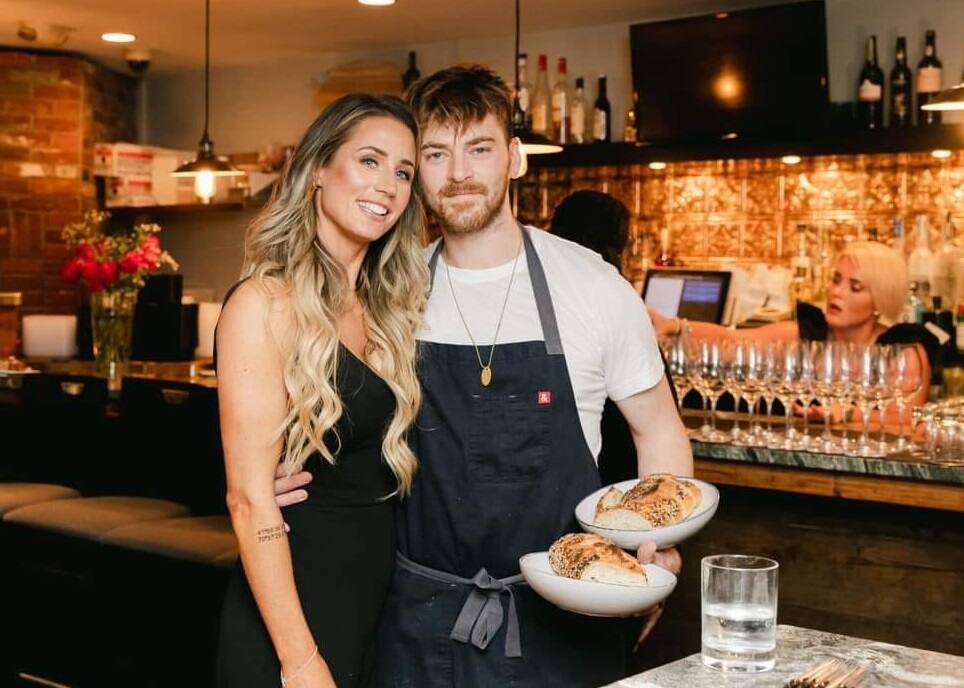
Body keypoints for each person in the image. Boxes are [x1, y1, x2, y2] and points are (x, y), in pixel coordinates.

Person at [277, 65, 692, 687]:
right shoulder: (388, 290)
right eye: (437, 154)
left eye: (480, 149)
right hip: (413, 623)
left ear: (516, 159)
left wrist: (658, 542)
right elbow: (335, 413)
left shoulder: (593, 287)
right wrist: (286, 472)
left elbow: (657, 428)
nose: (460, 173)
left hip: (566, 617)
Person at [215, 93, 427, 688]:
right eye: (369, 161)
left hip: (377, 612)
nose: (387, 184)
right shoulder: (263, 305)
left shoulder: (390, 308)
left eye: (403, 171)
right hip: (295, 622)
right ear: (317, 172)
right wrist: (301, 661)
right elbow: (249, 499)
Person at [648, 240, 936, 408]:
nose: (836, 292)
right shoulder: (806, 335)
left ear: (880, 300)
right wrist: (673, 326)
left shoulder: (904, 350)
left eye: (855, 287)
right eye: (836, 280)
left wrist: (845, 416)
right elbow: (732, 342)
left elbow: (908, 416)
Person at [549, 190, 678, 486]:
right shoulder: (616, 299)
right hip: (618, 486)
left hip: (578, 487)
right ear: (620, 244)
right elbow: (661, 424)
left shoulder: (542, 299)